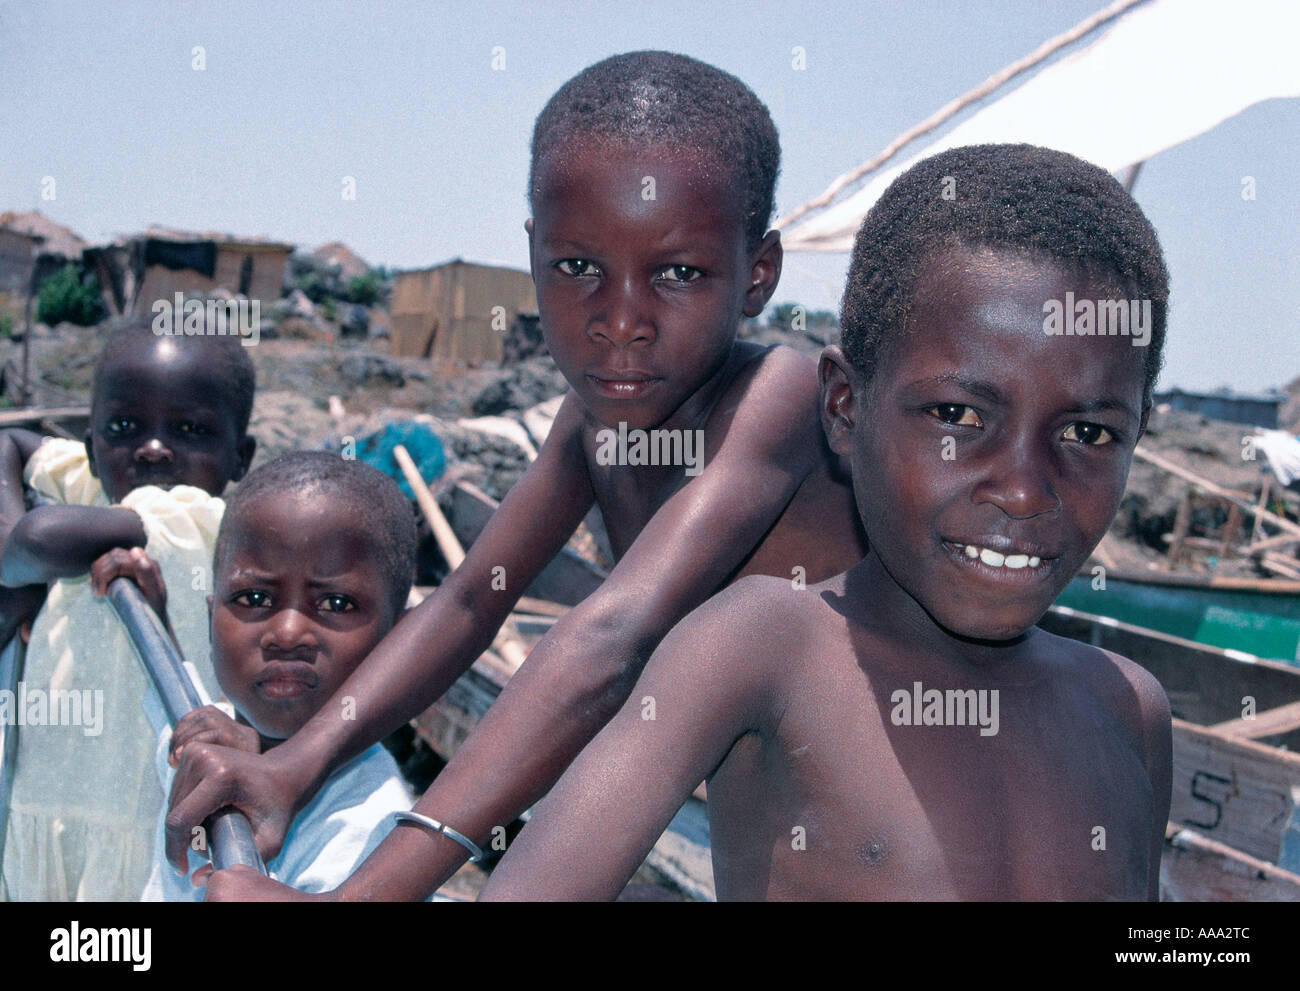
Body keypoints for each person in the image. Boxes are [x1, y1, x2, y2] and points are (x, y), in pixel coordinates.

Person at [184, 50, 867, 901]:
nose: (621, 322)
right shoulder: (593, 426)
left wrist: (368, 894)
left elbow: (614, 637)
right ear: (533, 256)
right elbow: (472, 599)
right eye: (578, 267)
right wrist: (295, 762)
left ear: (757, 275)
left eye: (679, 272)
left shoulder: (781, 401)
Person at [482, 144, 1175, 901]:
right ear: (845, 407)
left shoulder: (1128, 707)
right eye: (958, 415)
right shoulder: (765, 644)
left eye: (1089, 434)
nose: (1022, 489)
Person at [0, 320, 256, 900]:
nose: (153, 447)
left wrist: (10, 547)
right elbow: (10, 443)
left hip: (142, 846)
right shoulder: (97, 494)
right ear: (91, 448)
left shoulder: (205, 522)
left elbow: (36, 543)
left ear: (240, 457)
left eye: (189, 429)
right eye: (123, 426)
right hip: (39, 812)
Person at [139, 452, 417, 899]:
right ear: (211, 618)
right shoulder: (201, 734)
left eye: (337, 604)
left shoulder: (368, 824)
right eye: (252, 597)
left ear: (401, 642)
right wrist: (152, 617)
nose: (287, 633)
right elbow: (167, 684)